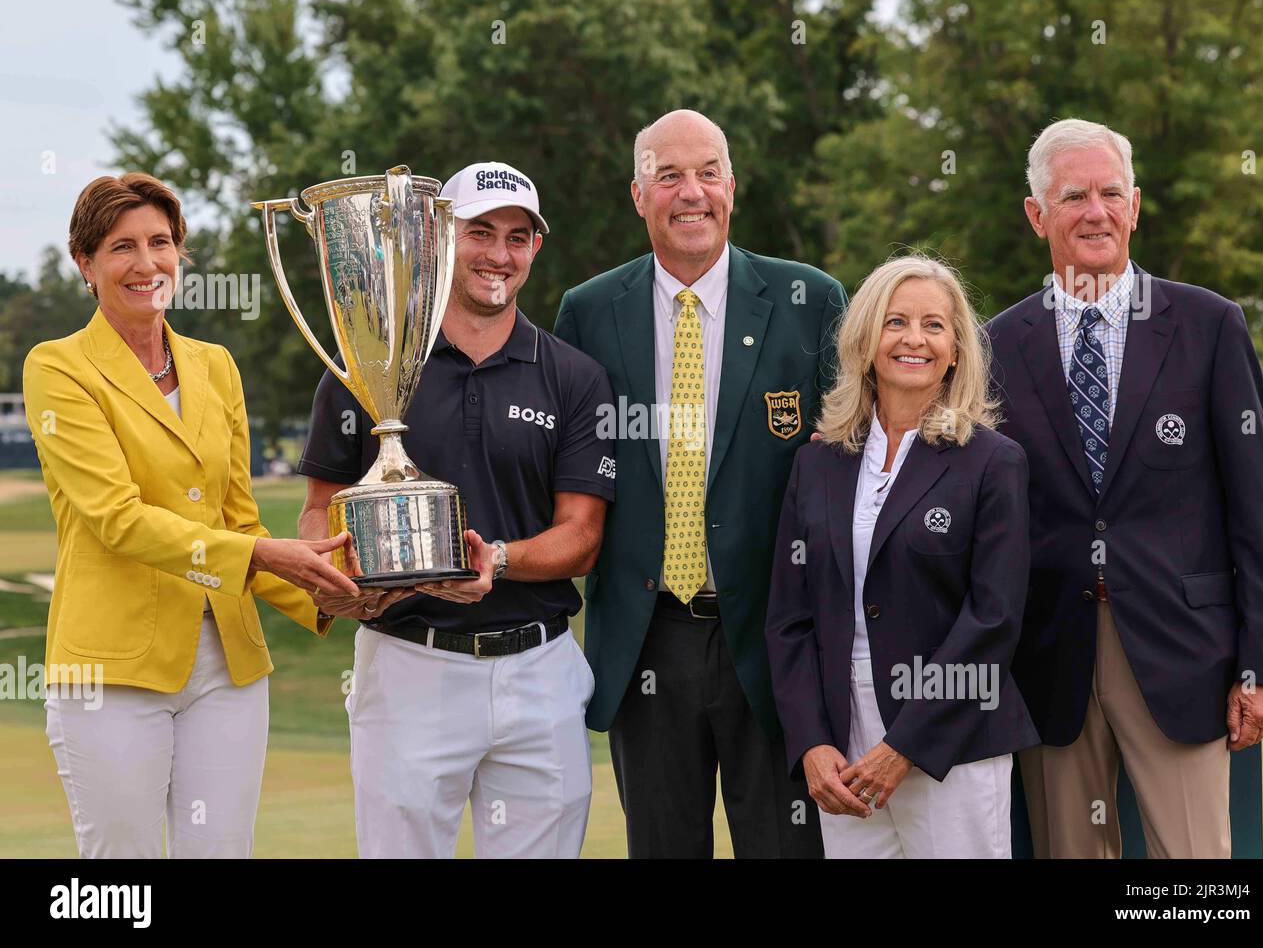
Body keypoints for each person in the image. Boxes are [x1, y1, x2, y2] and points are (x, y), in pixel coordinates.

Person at [23, 172, 357, 859]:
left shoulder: (215, 366)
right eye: (122, 247)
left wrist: (332, 591)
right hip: (112, 672)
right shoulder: (57, 369)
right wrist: (264, 557)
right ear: (85, 263)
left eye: (161, 242)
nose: (147, 264)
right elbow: (117, 518)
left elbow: (238, 521)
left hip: (229, 669)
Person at [986, 118, 1263, 858]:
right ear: (1036, 215)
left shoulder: (1209, 325)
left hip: (1185, 652)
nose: (1095, 210)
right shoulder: (995, 343)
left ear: (1135, 206)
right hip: (1050, 657)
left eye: (1110, 193)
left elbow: (1255, 511)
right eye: (1073, 197)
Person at [298, 161, 614, 859]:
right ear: (438, 237)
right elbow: (319, 511)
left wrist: (496, 562)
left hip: (539, 669)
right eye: (480, 232)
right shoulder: (363, 361)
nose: (500, 254)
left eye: (518, 237)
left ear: (535, 248)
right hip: (410, 664)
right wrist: (343, 585)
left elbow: (582, 536)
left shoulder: (574, 376)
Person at [553, 109, 842, 858]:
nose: (692, 192)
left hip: (775, 642)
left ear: (733, 188)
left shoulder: (810, 301)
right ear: (637, 194)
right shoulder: (586, 313)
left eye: (708, 172)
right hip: (647, 642)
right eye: (669, 175)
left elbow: (851, 469)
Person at [765, 255, 1038, 858]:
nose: (915, 339)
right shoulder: (817, 463)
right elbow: (788, 619)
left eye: (935, 326)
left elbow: (992, 621)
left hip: (952, 738)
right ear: (866, 340)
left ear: (958, 349)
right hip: (841, 744)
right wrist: (811, 742)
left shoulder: (994, 462)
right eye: (896, 322)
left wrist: (905, 745)